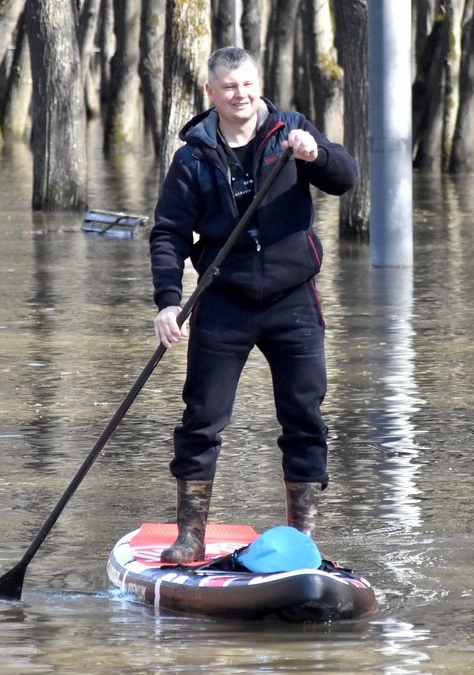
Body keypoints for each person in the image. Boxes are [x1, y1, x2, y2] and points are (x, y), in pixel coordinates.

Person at [149, 46, 358, 563]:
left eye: (248, 85)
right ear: (211, 93)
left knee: (305, 417)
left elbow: (345, 177)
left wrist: (318, 155)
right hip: (223, 300)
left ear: (257, 84)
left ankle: (303, 537)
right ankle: (190, 535)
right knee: (202, 418)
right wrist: (169, 303)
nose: (241, 95)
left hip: (294, 301)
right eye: (229, 87)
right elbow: (169, 234)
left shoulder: (290, 132)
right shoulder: (193, 156)